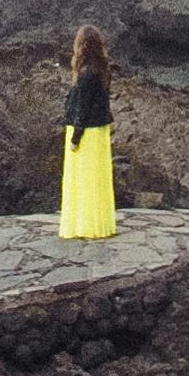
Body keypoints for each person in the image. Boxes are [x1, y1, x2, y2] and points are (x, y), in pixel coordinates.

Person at [58, 21, 116, 239]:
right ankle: (100, 225)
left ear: (81, 45)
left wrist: (75, 137)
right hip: (99, 131)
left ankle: (84, 226)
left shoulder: (85, 73)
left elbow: (82, 107)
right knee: (98, 180)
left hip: (87, 133)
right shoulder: (103, 70)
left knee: (83, 181)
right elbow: (99, 102)